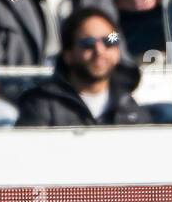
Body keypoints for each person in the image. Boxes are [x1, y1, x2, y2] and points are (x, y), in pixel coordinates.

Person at [14, 7, 149, 127]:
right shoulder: (40, 105)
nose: (99, 51)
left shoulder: (129, 108)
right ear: (68, 55)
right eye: (87, 43)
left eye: (109, 41)